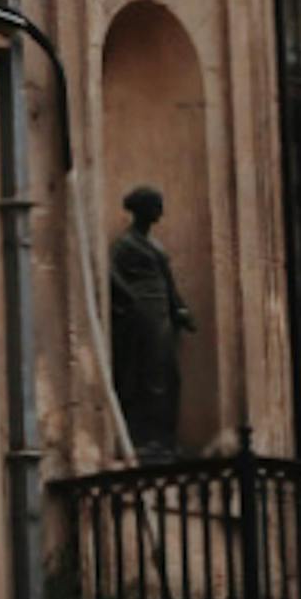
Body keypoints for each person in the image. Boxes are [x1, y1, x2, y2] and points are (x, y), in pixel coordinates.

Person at [107, 184, 196, 453]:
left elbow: (168, 283)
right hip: (143, 316)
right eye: (156, 206)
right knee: (147, 374)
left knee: (168, 375)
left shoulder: (154, 245)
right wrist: (130, 298)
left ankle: (163, 437)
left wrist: (180, 308)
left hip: (161, 314)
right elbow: (110, 272)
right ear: (143, 209)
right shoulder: (125, 244)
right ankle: (145, 438)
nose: (160, 211)